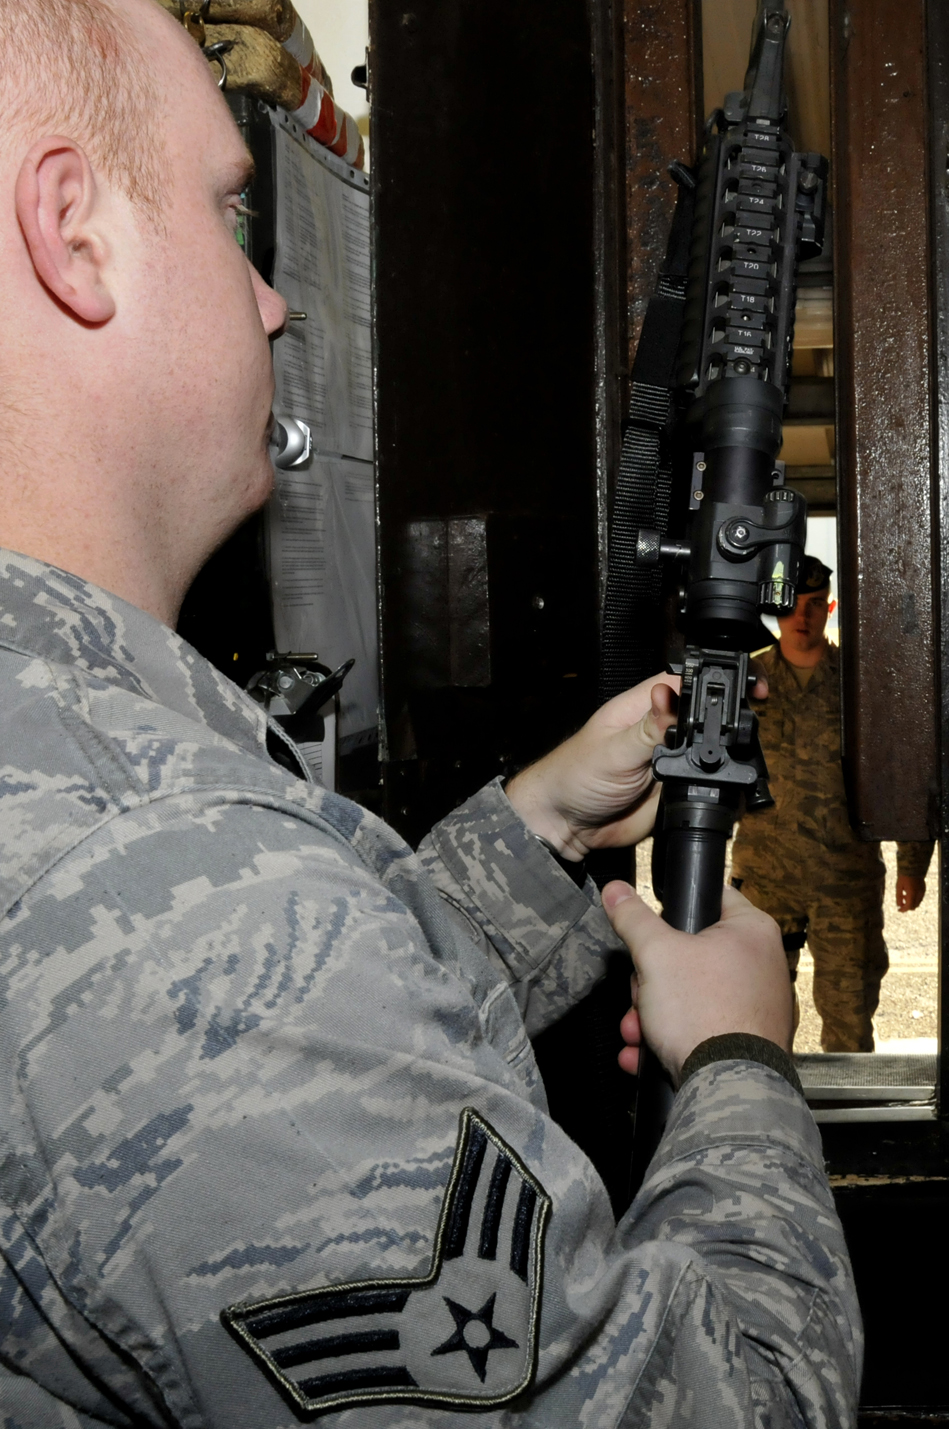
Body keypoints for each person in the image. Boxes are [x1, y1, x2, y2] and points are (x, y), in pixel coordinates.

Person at [0, 2, 860, 1424]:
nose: (273, 297)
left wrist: (533, 828)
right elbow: (726, 1405)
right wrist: (740, 1066)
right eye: (229, 212)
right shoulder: (157, 888)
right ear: (72, 232)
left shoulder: (88, 779)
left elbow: (274, 1021)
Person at [731, 555, 934, 1053]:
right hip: (765, 881)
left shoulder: (862, 687)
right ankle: (765, 1116)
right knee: (756, 1014)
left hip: (846, 881)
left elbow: (904, 772)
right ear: (776, 612)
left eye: (816, 605)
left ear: (831, 608)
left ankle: (846, 1130)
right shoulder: (744, 683)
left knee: (849, 1020)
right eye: (795, 606)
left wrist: (914, 865)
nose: (804, 617)